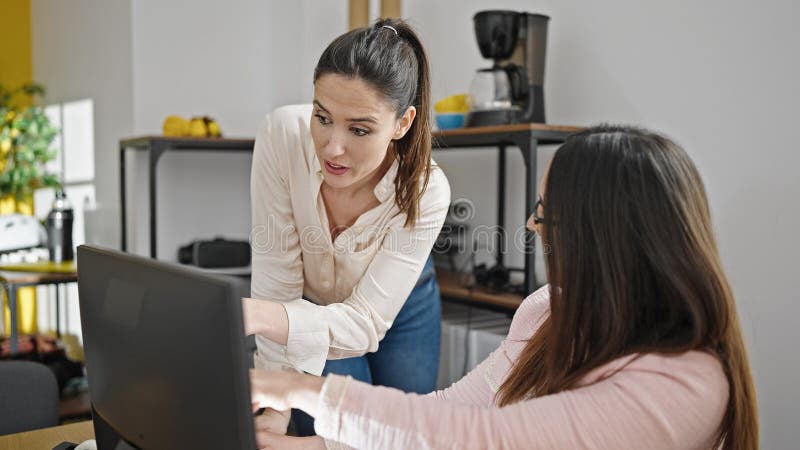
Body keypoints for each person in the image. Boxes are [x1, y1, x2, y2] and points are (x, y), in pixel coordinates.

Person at [249, 125, 759, 450]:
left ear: (600, 242)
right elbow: (452, 412)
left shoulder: (683, 384)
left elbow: (487, 439)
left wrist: (299, 388)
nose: (534, 229)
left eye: (545, 217)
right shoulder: (546, 312)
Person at [243, 18, 450, 437]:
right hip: (309, 310)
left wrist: (261, 316)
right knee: (336, 429)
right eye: (322, 117)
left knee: (401, 435)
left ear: (402, 124)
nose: (332, 148)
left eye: (359, 129)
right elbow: (276, 288)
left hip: (399, 307)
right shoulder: (282, 136)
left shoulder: (429, 189)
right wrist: (274, 410)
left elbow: (365, 322)